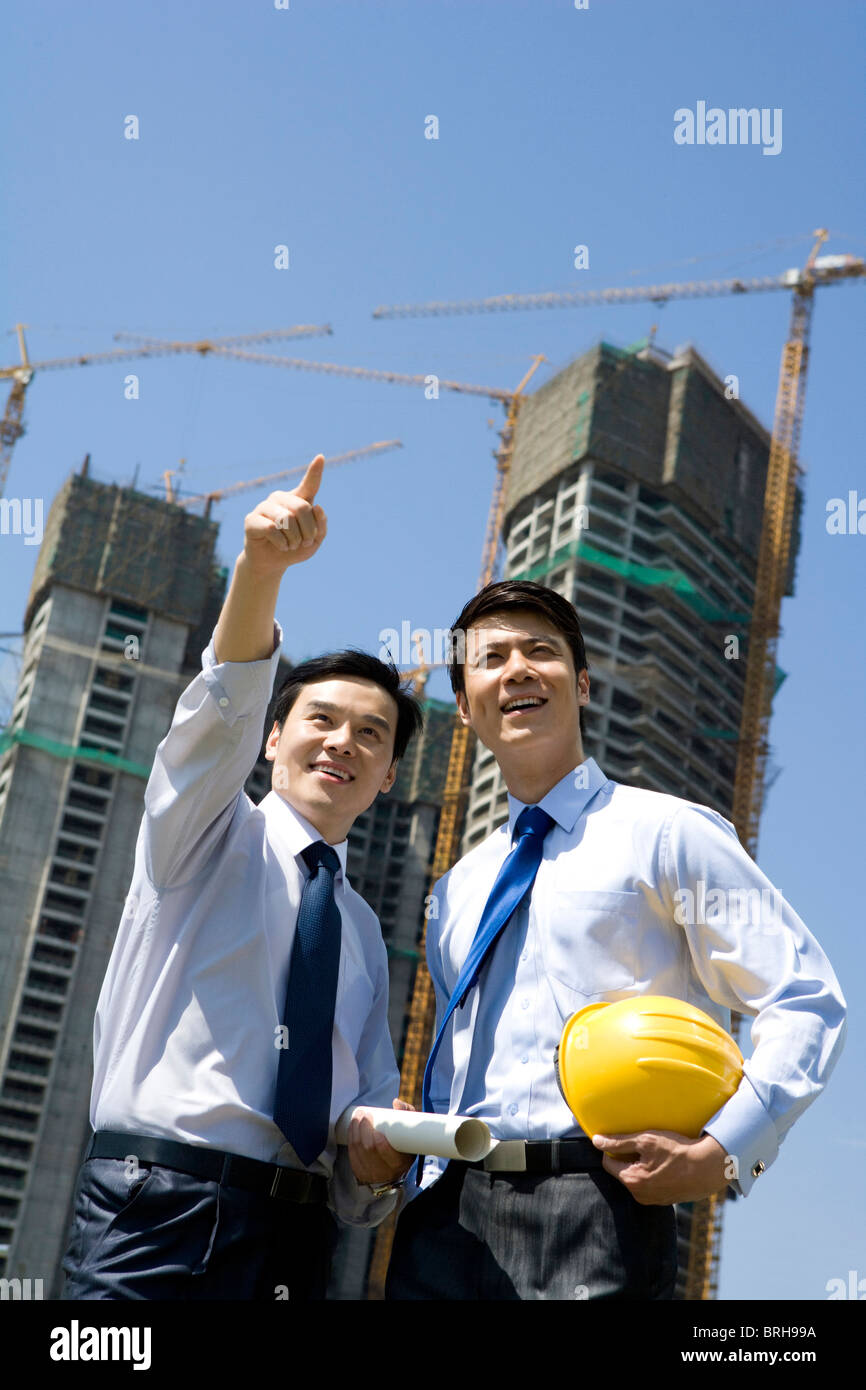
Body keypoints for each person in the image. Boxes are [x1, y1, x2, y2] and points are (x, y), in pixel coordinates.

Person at [385, 578, 847, 1301]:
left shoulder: (668, 833)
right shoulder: (455, 890)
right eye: (491, 659)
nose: (517, 670)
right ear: (468, 707)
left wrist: (726, 1151)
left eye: (541, 651)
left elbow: (805, 996)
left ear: (583, 685)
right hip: (448, 1218)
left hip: (598, 1203)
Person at [62, 455, 419, 1301]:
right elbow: (218, 713)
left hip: (297, 1238)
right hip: (154, 1211)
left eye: (372, 735)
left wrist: (379, 1164)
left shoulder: (362, 933)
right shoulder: (201, 834)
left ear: (389, 777)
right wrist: (262, 569)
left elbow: (363, 1110)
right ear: (272, 739)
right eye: (321, 719)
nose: (343, 743)